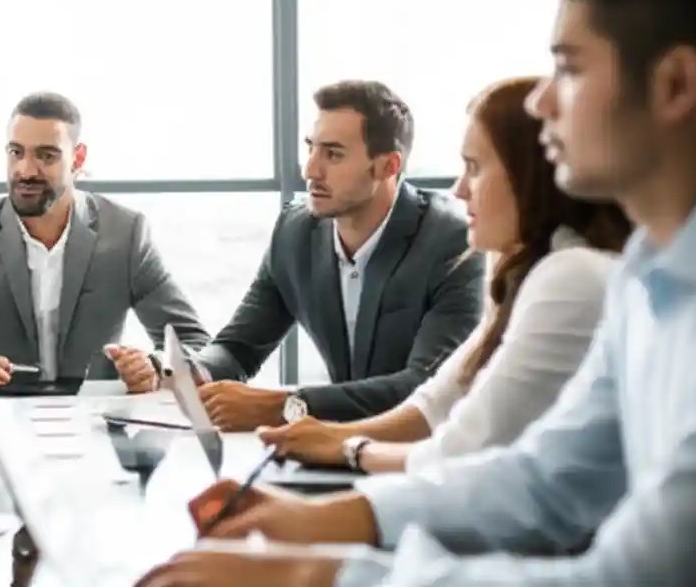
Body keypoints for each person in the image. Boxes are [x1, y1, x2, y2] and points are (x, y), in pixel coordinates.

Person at [138, 0, 696, 587]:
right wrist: (323, 523)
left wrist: (318, 574)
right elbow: (545, 481)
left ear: (676, 84)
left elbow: (635, 576)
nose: (539, 107)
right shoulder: (645, 274)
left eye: (569, 69)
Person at [257, 76, 630, 475]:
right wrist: (327, 438)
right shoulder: (521, 273)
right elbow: (434, 406)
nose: (459, 190)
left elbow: (459, 447)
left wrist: (346, 447)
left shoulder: (570, 276)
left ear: (529, 177)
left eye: (474, 167)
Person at [186, 81, 484, 430]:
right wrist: (193, 370)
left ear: (388, 166)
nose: (309, 170)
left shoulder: (452, 242)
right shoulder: (295, 232)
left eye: (333, 154)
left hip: (420, 455)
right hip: (336, 447)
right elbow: (239, 347)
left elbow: (426, 389)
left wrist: (288, 406)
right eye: (311, 148)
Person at [0, 92, 209, 390]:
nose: (26, 170)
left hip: (95, 422)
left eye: (47, 156)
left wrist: (154, 366)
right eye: (16, 153)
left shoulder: (125, 233)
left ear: (78, 159)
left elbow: (196, 342)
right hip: (3, 423)